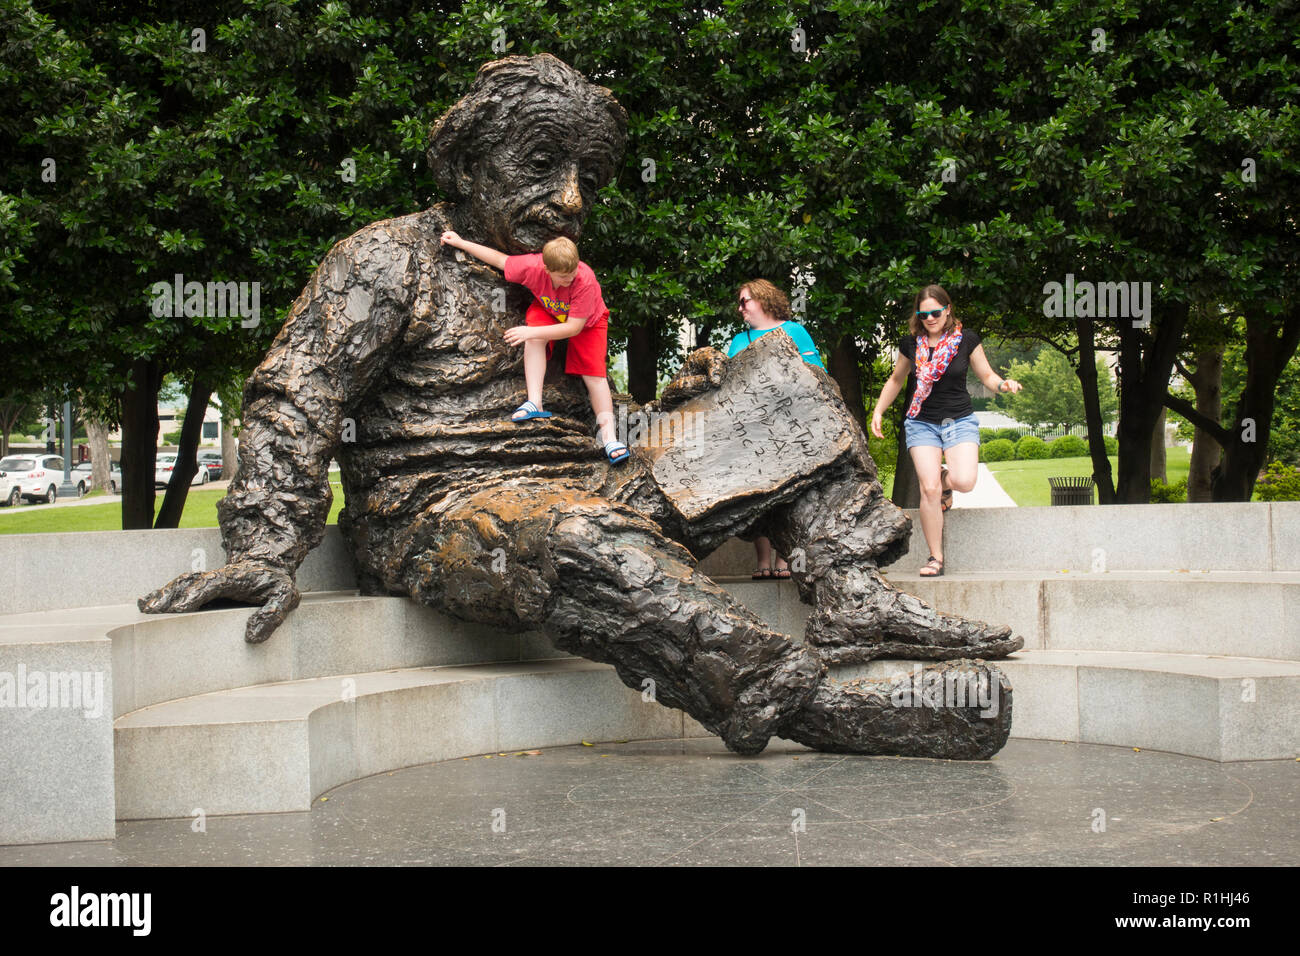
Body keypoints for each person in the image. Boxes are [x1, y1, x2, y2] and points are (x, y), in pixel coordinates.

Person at [140, 55, 1021, 760]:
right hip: (446, 512)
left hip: (593, 479)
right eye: (540, 166)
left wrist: (663, 412)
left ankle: (851, 592)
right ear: (466, 167)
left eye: (586, 176)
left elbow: (585, 404)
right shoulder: (385, 260)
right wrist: (265, 546)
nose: (570, 197)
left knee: (784, 383)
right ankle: (802, 700)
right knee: (582, 537)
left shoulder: (563, 277)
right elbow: (293, 398)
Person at [870, 284, 1022, 577]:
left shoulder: (966, 340)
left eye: (936, 312)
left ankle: (944, 479)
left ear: (947, 309)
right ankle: (935, 558)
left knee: (964, 481)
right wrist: (878, 410)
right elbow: (896, 379)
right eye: (923, 314)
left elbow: (987, 375)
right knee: (928, 490)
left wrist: (1003, 385)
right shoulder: (911, 345)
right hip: (921, 421)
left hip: (959, 420)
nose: (930, 318)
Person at [439, 231, 629, 464]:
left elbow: (572, 329)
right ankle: (534, 402)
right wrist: (460, 242)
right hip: (549, 310)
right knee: (534, 338)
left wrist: (530, 331)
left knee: (594, 375)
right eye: (563, 277)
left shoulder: (585, 280)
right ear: (547, 269)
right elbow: (499, 260)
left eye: (572, 273)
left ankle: (609, 438)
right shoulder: (531, 266)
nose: (569, 280)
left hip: (587, 322)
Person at [725, 279, 824, 580]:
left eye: (745, 301)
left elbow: (817, 371)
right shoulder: (738, 341)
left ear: (764, 300)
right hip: (753, 431)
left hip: (791, 426)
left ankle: (785, 560)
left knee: (789, 494)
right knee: (760, 497)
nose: (740, 308)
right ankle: (763, 560)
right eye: (739, 302)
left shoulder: (794, 331)